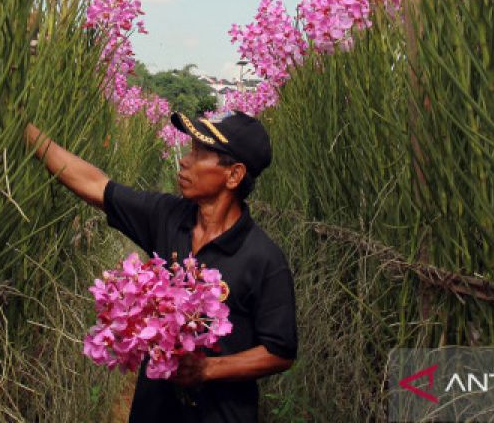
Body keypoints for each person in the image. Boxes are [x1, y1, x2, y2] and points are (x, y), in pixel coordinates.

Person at [24, 109, 298, 422]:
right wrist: (26, 131)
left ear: (234, 175)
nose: (185, 160)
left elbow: (280, 352)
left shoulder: (263, 258)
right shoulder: (168, 216)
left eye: (200, 153)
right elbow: (95, 184)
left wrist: (208, 368)